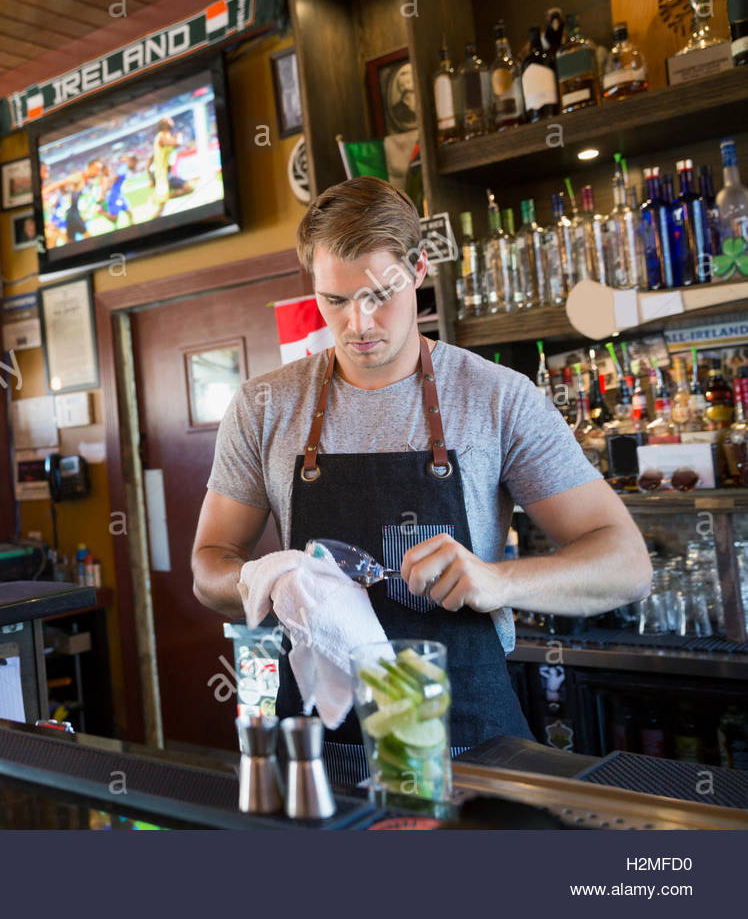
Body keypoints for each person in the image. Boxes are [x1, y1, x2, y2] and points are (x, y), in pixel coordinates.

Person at [190, 177, 650, 779]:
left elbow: (627, 565)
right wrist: (270, 575)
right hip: (322, 750)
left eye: (381, 293)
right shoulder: (264, 407)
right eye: (335, 301)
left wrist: (499, 581)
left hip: (469, 747)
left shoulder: (497, 397)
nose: (360, 322)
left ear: (418, 268)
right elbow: (207, 567)